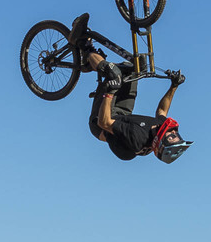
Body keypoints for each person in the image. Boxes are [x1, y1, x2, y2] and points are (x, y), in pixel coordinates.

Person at [69, 13, 192, 163]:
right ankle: (93, 63)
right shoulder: (159, 127)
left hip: (101, 121)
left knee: (113, 76)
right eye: (177, 135)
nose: (175, 132)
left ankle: (82, 44)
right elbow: (161, 111)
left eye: (173, 137)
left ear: (161, 142)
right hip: (122, 114)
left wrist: (110, 92)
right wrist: (174, 86)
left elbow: (105, 123)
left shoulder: (138, 138)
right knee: (137, 66)